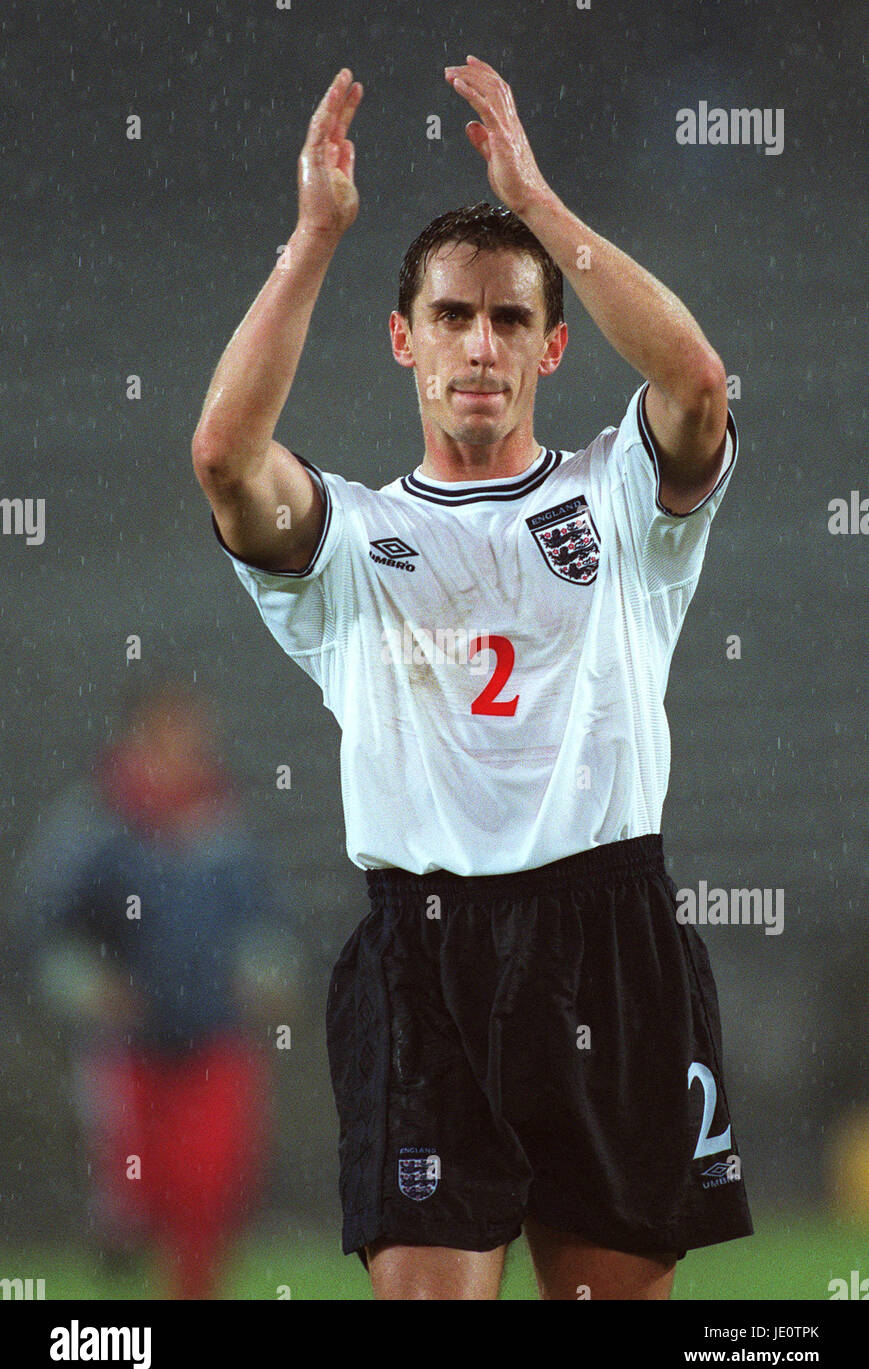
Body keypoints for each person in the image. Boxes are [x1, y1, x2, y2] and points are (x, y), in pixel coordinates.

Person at [191, 57, 753, 1300]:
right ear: (404, 339)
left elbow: (697, 383)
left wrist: (538, 205)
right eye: (451, 314)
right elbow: (225, 456)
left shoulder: (618, 496)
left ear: (555, 345)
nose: (479, 344)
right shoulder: (348, 538)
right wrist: (314, 234)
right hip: (423, 959)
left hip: (608, 939)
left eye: (510, 318)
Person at [13, 678, 289, 1298]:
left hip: (215, 1042)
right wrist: (90, 986)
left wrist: (266, 977)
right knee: (137, 1192)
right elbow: (45, 930)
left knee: (211, 1190)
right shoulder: (94, 831)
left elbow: (264, 923)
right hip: (130, 1049)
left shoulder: (225, 832)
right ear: (135, 740)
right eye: (166, 736)